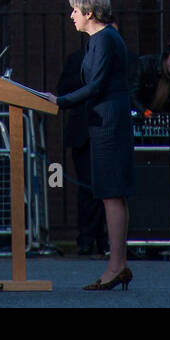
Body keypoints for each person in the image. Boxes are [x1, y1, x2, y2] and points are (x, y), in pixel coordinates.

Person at [44, 0, 134, 291]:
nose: (71, 16)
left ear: (89, 13)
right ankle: (118, 265)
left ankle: (115, 266)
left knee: (111, 194)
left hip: (109, 123)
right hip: (106, 121)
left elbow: (95, 86)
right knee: (112, 194)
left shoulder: (105, 39)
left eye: (75, 10)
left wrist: (59, 101)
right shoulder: (101, 39)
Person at [57, 43, 107, 257]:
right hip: (82, 133)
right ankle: (87, 239)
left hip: (104, 130)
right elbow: (63, 90)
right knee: (87, 187)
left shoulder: (113, 62)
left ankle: (101, 238)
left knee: (104, 188)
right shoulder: (76, 59)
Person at [130, 37, 170, 115]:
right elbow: (132, 95)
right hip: (136, 118)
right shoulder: (145, 64)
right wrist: (144, 112)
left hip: (158, 122)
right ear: (167, 53)